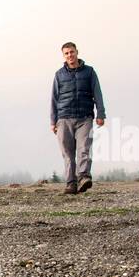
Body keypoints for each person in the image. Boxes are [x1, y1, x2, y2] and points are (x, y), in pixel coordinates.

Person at [49, 42, 106, 194]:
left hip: (84, 118)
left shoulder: (89, 72)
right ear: (64, 56)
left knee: (84, 149)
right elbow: (54, 99)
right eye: (66, 53)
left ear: (77, 52)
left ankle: (83, 177)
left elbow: (97, 93)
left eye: (72, 52)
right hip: (64, 118)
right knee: (67, 153)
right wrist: (53, 121)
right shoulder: (59, 75)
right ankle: (70, 184)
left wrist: (101, 114)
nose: (70, 55)